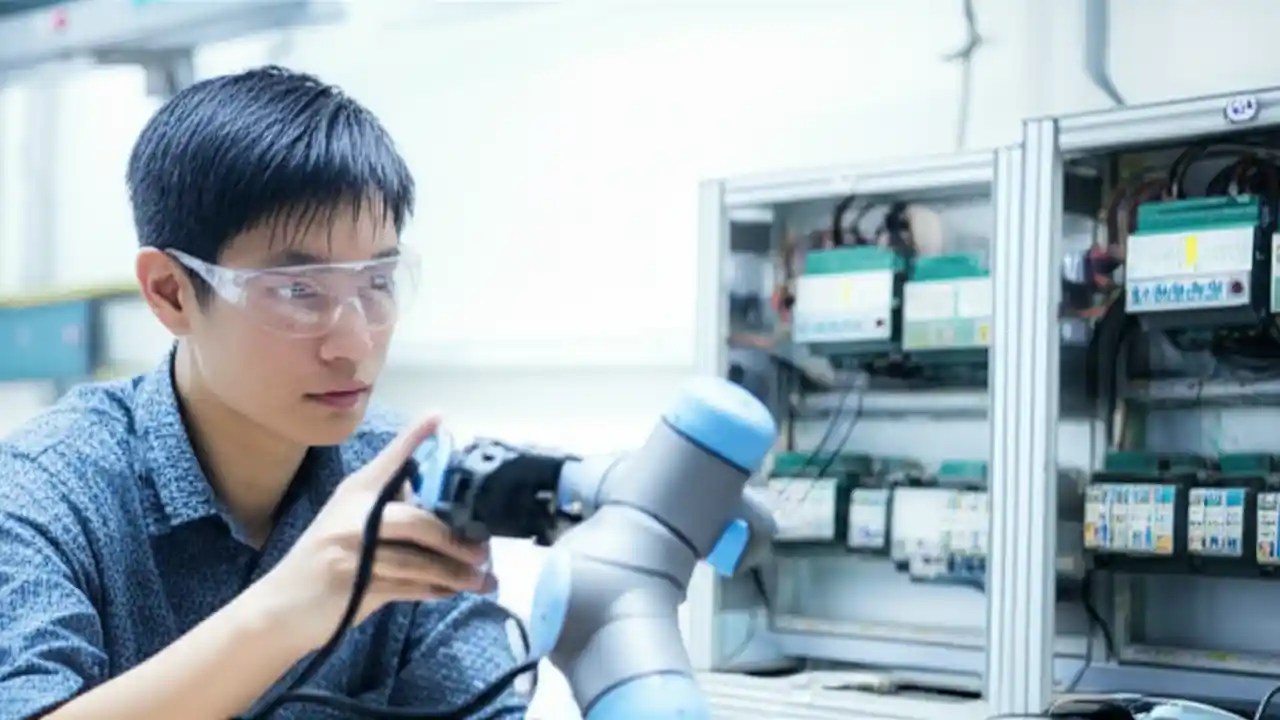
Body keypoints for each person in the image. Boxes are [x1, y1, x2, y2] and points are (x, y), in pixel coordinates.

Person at [0, 66, 529, 719]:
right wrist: (285, 612)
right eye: (297, 291)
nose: (354, 343)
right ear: (170, 293)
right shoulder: (44, 494)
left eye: (377, 283)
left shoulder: (405, 482)